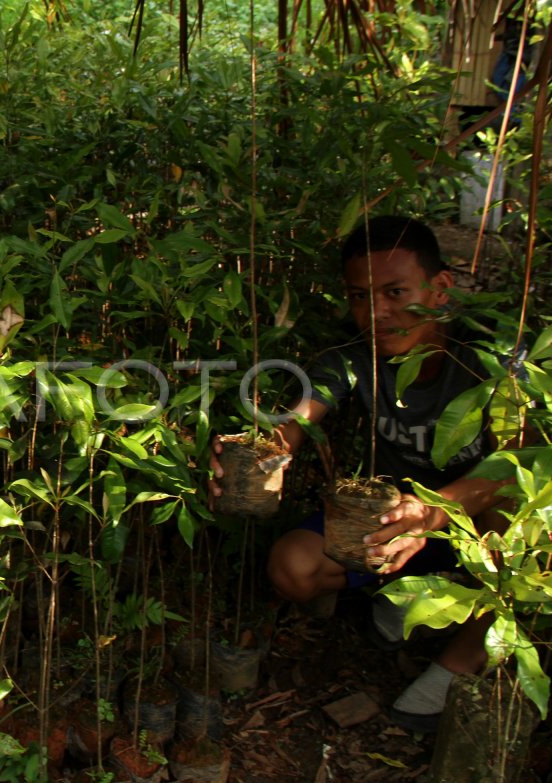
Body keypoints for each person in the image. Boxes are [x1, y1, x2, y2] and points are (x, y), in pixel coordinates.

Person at [210, 214, 520, 733]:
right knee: (292, 567)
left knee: (524, 512)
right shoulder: (354, 358)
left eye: (396, 292)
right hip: (392, 524)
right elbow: (300, 417)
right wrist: (258, 455)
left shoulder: (491, 357)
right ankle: (403, 596)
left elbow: (516, 465)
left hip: (466, 524)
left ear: (440, 287)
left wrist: (433, 511)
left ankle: (461, 659)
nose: (376, 313)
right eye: (359, 297)